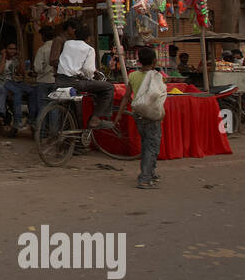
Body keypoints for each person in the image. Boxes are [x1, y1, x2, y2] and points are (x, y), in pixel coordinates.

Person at [117, 46, 164, 189]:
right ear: (154, 62)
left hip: (138, 114)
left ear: (139, 61)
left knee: (146, 144)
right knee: (152, 146)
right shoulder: (157, 76)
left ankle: (151, 172)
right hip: (151, 116)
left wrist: (119, 114)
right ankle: (145, 178)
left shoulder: (133, 76)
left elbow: (126, 97)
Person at [56, 21, 115, 127]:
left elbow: (73, 62)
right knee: (109, 87)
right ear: (88, 38)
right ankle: (96, 118)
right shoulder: (89, 49)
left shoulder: (67, 43)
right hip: (74, 82)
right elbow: (88, 70)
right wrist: (91, 77)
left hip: (60, 80)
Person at [0, 42, 37, 129]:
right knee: (18, 92)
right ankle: (17, 120)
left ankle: (31, 119)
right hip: (2, 81)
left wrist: (21, 59)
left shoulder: (14, 60)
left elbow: (21, 72)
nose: (12, 51)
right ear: (6, 49)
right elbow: (0, 71)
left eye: (14, 49)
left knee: (32, 91)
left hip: (13, 81)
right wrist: (3, 56)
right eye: (10, 49)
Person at [33, 25, 57, 119]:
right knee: (54, 107)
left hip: (43, 81)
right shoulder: (59, 48)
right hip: (55, 81)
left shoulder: (42, 49)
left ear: (44, 36)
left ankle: (41, 132)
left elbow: (37, 68)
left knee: (42, 107)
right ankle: (54, 132)